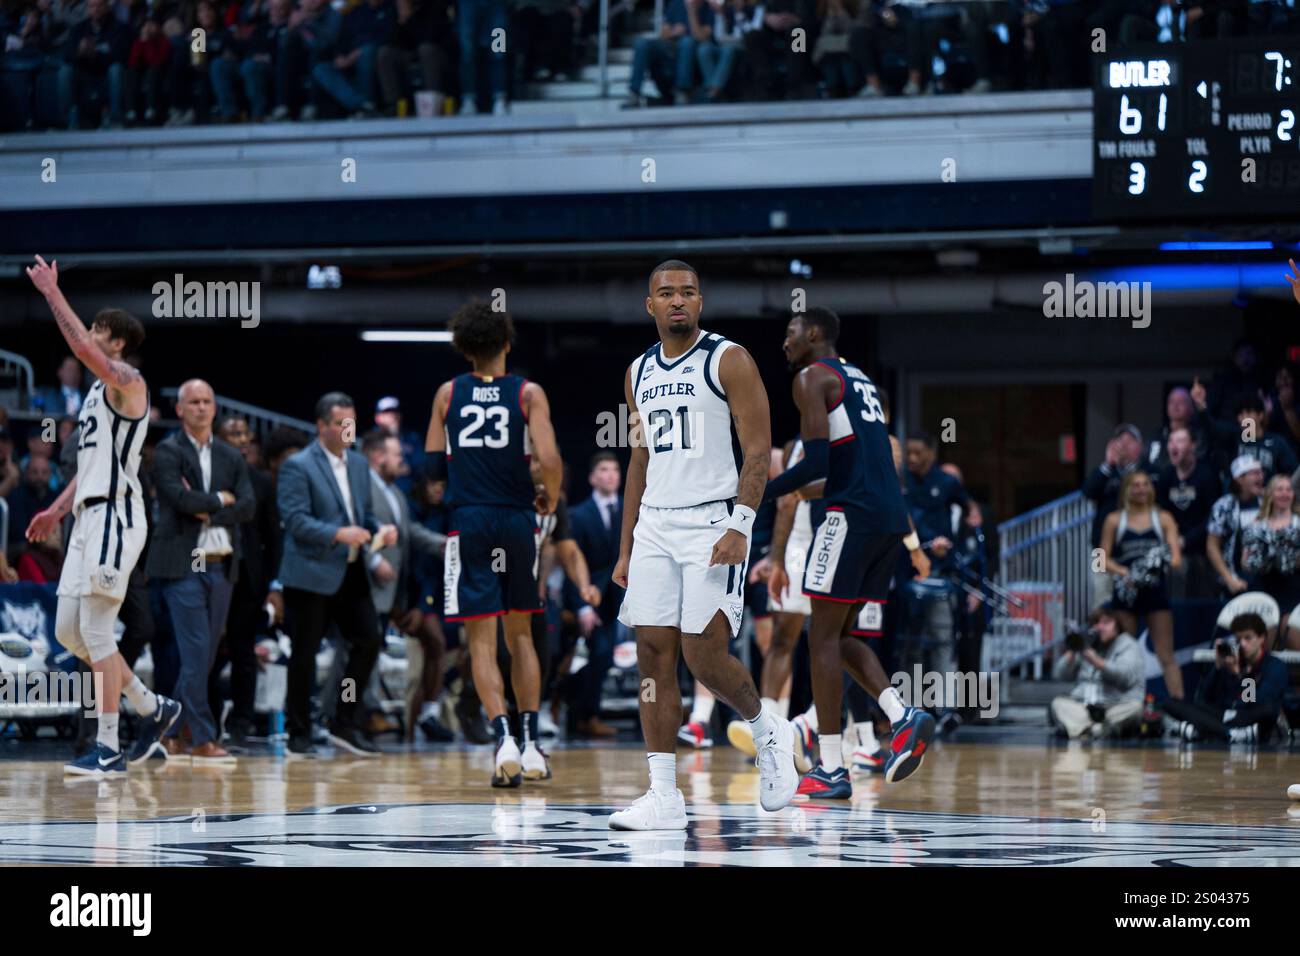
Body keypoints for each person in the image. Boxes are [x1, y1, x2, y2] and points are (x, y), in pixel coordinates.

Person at [609, 260, 797, 830]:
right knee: (652, 655)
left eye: (688, 293)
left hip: (713, 522)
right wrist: (625, 547)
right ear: (650, 305)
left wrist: (741, 523)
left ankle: (768, 731)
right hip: (655, 528)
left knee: (702, 653)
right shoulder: (637, 370)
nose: (677, 301)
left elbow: (759, 449)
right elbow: (638, 460)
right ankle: (663, 793)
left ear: (700, 302)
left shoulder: (729, 359)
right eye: (666, 293)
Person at [762, 306, 934, 799]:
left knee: (820, 636)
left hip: (849, 519)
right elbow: (855, 466)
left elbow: (816, 462)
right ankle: (903, 716)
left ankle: (832, 768)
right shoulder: (861, 381)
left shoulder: (812, 378)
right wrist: (794, 492)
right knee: (839, 634)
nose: (785, 343)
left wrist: (760, 490)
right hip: (888, 521)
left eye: (791, 333)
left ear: (814, 333)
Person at [22, 254, 183, 776]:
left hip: (117, 516)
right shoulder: (95, 394)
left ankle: (110, 748)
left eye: (98, 329)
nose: (90, 333)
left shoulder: (127, 382)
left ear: (116, 342)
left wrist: (52, 293)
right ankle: (152, 707)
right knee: (69, 630)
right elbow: (88, 468)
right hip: (87, 517)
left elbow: (81, 347)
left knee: (95, 631)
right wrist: (55, 509)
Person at [424, 300, 562, 786]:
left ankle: (501, 736)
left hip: (470, 522)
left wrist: (454, 481)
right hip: (518, 519)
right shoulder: (528, 393)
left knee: (479, 642)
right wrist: (549, 494)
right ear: (507, 343)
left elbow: (432, 466)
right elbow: (547, 455)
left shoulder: (447, 394)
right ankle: (529, 743)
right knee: (520, 635)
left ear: (464, 350)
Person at [278, 391, 398, 758]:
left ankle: (342, 721)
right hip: (311, 571)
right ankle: (297, 732)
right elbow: (295, 521)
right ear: (321, 426)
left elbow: (362, 514)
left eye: (352, 422)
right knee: (305, 653)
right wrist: (337, 533)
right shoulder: (298, 465)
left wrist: (380, 530)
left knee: (368, 642)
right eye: (341, 423)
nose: (348, 429)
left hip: (350, 570)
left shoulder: (360, 464)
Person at [146, 379, 254, 764]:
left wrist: (207, 507)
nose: (202, 407)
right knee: (194, 652)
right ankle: (203, 738)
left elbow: (247, 505)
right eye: (193, 402)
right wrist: (217, 500)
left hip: (221, 563)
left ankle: (168, 731)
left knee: (203, 656)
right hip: (182, 562)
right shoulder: (167, 452)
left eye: (208, 401)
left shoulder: (231, 456)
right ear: (179, 409)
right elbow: (178, 499)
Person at [360, 429, 448, 733]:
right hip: (363, 583)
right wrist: (372, 559)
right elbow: (355, 526)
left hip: (391, 591)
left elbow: (411, 532)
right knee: (360, 649)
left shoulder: (394, 492)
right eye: (397, 455)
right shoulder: (363, 487)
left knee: (368, 649)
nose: (402, 461)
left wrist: (444, 545)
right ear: (377, 455)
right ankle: (355, 714)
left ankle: (357, 717)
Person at [214, 414, 281, 746]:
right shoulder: (205, 477)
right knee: (208, 653)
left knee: (243, 651)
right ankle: (207, 722)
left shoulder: (261, 482)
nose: (240, 440)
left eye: (244, 434)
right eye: (232, 434)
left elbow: (273, 539)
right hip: (211, 574)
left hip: (248, 580)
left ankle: (241, 723)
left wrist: (274, 586)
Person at [1099, 469, 1183, 699]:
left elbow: (1176, 559)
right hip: (1126, 592)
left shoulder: (1163, 517)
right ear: (1126, 489)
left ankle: (1182, 709)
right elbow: (1100, 559)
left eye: (1145, 484)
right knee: (1124, 653)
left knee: (1166, 655)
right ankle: (1118, 704)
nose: (1141, 489)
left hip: (1155, 591)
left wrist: (1155, 563)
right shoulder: (1114, 519)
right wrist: (1124, 571)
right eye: (1135, 485)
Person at [565, 451, 624, 738]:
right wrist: (581, 607)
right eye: (603, 469)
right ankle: (582, 712)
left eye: (614, 469)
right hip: (590, 599)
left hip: (622, 599)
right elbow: (572, 564)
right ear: (592, 477)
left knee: (608, 657)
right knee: (599, 653)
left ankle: (576, 706)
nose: (610, 474)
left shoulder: (631, 511)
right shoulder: (578, 514)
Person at [1163, 613, 1288, 743]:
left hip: (1252, 718)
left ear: (1262, 638)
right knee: (1171, 703)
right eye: (1239, 640)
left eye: (1248, 638)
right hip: (1225, 715)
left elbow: (1257, 703)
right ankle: (1229, 733)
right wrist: (1217, 667)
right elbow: (1204, 699)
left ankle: (1203, 730)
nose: (1243, 644)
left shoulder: (1275, 666)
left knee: (1267, 710)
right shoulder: (1231, 659)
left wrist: (1240, 675)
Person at [1049, 607, 1144, 739]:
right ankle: (1093, 730)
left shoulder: (1127, 644)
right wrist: (1073, 648)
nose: (1100, 627)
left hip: (1114, 706)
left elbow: (1125, 677)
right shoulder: (1087, 644)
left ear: (1117, 626)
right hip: (1084, 707)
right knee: (1058, 703)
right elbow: (1059, 674)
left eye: (1106, 623)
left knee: (1135, 707)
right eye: (1096, 623)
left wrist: (1097, 662)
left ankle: (1083, 729)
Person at [1155, 427, 1219, 600]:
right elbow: (1160, 513)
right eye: (1171, 441)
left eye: (1180, 441)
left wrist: (1187, 540)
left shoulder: (1206, 474)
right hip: (1173, 544)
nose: (1174, 445)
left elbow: (1214, 516)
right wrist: (1173, 539)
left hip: (1203, 546)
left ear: (1193, 445)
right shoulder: (1166, 475)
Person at [1240, 473, 1300, 628]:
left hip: (1293, 585)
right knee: (1266, 631)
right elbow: (1244, 562)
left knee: (1289, 630)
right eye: (1280, 489)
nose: (1285, 494)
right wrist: (1261, 560)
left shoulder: (1298, 523)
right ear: (1271, 494)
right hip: (1263, 585)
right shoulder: (1257, 524)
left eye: (1289, 489)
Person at [1207, 455, 1265, 599]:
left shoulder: (1267, 502)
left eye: (1261, 472)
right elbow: (1212, 546)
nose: (1261, 476)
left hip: (1266, 579)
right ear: (1240, 478)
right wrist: (1229, 579)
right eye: (1254, 473)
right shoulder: (1224, 506)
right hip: (1236, 580)